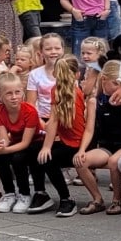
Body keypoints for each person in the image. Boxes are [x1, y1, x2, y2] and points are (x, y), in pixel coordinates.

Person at [74, 61, 121, 215]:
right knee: (81, 162)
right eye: (115, 83)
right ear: (104, 80)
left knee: (114, 161)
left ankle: (117, 200)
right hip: (106, 144)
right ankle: (97, 199)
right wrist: (82, 150)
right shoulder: (95, 101)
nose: (119, 88)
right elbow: (89, 130)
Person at [34, 55, 85, 217]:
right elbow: (54, 122)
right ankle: (40, 193)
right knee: (36, 150)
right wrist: (46, 146)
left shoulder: (76, 92)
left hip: (78, 142)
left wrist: (48, 147)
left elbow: (54, 121)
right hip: (66, 140)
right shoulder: (56, 90)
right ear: (77, 74)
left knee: (49, 158)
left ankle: (66, 199)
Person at [0, 71, 42, 214]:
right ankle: (9, 193)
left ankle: (24, 194)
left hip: (35, 142)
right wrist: (0, 147)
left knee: (18, 158)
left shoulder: (30, 111)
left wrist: (5, 149)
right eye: (9, 94)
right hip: (16, 141)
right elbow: (4, 138)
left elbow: (25, 143)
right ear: (0, 96)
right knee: (0, 155)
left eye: (17, 92)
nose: (14, 97)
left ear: (23, 93)